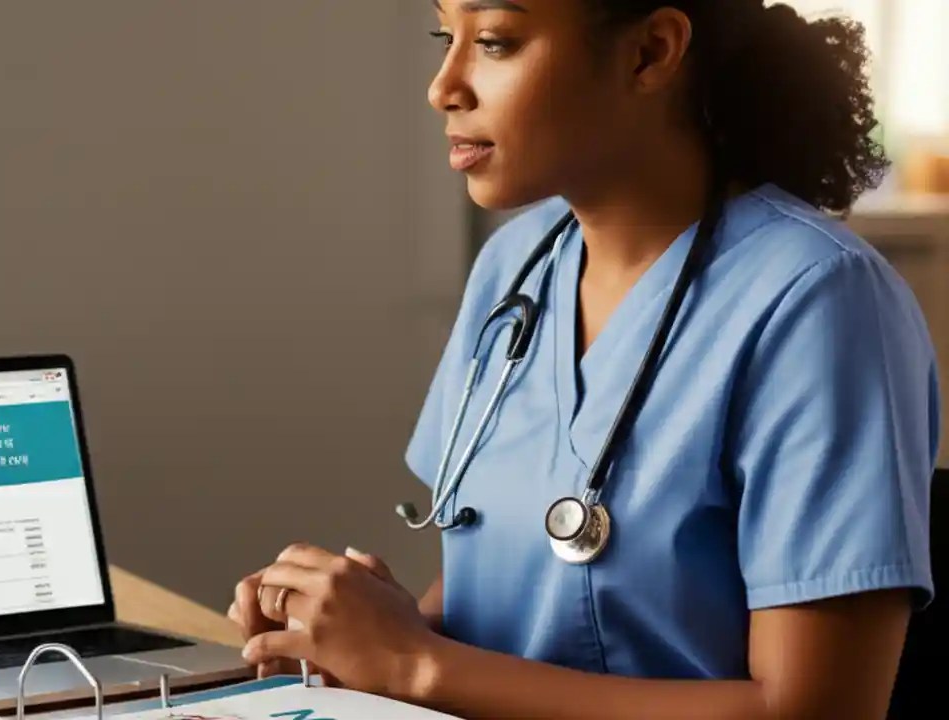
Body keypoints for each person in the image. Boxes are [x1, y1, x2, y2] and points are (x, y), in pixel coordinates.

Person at [229, 1, 939, 718]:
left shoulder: (818, 300)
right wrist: (356, 639)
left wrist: (413, 663)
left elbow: (816, 711)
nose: (444, 85)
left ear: (650, 53)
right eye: (448, 37)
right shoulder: (515, 265)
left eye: (496, 42)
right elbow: (496, 605)